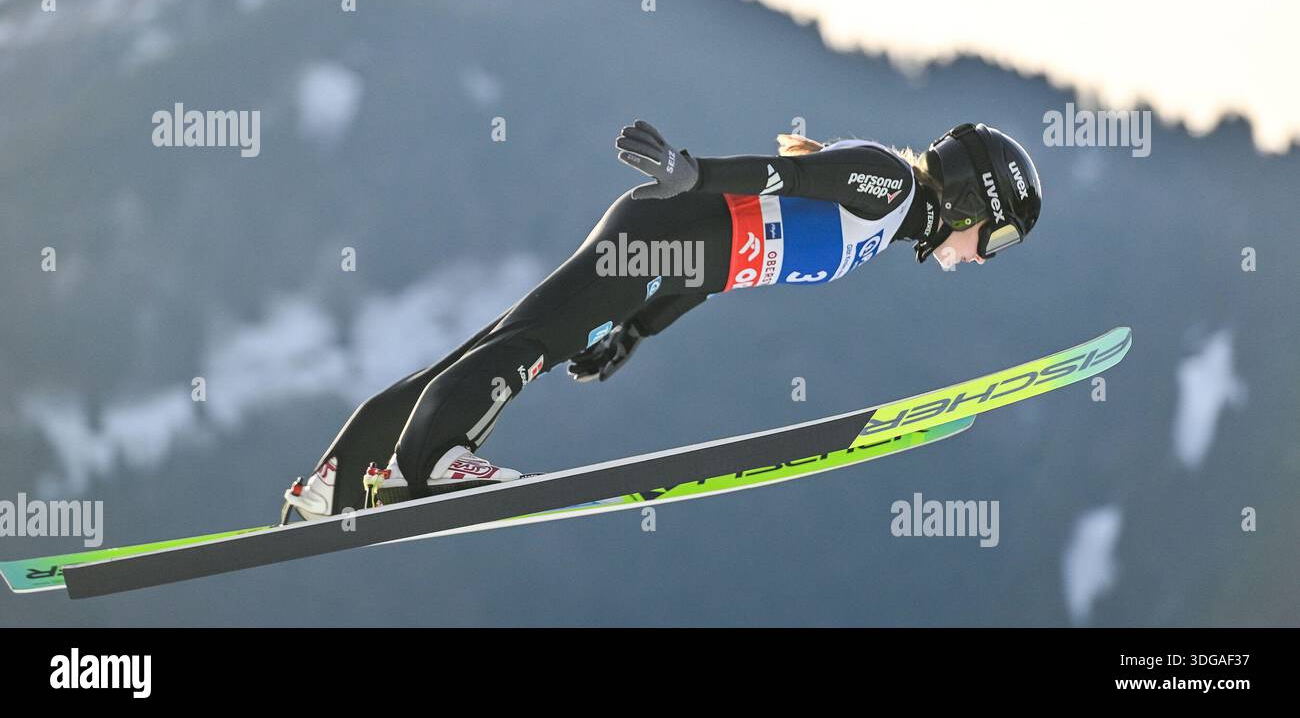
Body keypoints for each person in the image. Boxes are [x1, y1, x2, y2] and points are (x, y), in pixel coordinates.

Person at [281, 120, 1042, 520]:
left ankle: (336, 482)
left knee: (504, 340)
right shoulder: (889, 184)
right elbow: (789, 174)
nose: (985, 256)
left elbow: (724, 267)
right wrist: (695, 172)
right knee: (531, 344)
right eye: (998, 239)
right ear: (974, 200)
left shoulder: (889, 224)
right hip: (661, 231)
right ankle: (424, 467)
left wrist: (637, 330)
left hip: (670, 255)